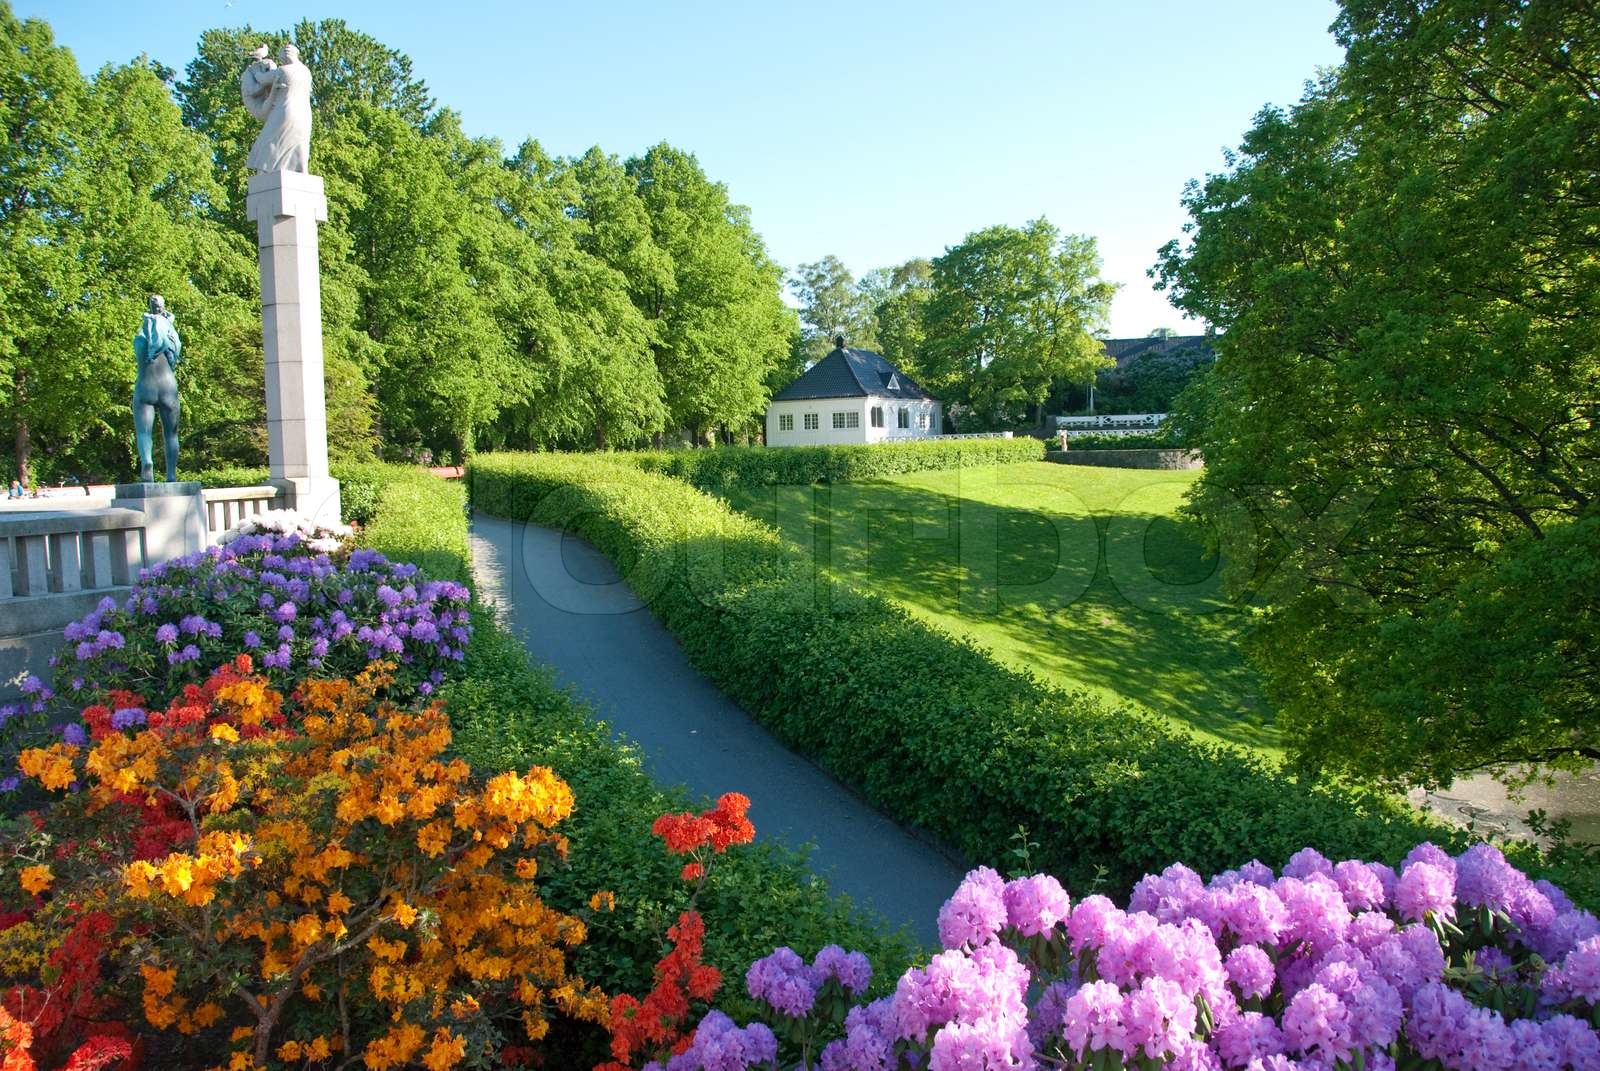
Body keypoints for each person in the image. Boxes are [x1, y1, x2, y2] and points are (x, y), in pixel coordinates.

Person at [132, 295, 183, 482]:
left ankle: (147, 462)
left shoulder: (141, 337)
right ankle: (171, 474)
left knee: (144, 431)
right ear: (163, 308)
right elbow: (175, 358)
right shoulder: (171, 337)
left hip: (146, 384)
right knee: (171, 433)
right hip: (168, 385)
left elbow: (139, 355)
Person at [243, 43, 312, 173]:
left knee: (269, 141)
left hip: (286, 110)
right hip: (304, 115)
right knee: (299, 143)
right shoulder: (306, 71)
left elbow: (262, 80)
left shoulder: (282, 70)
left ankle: (267, 172)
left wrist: (255, 71)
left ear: (284, 57)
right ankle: (301, 171)